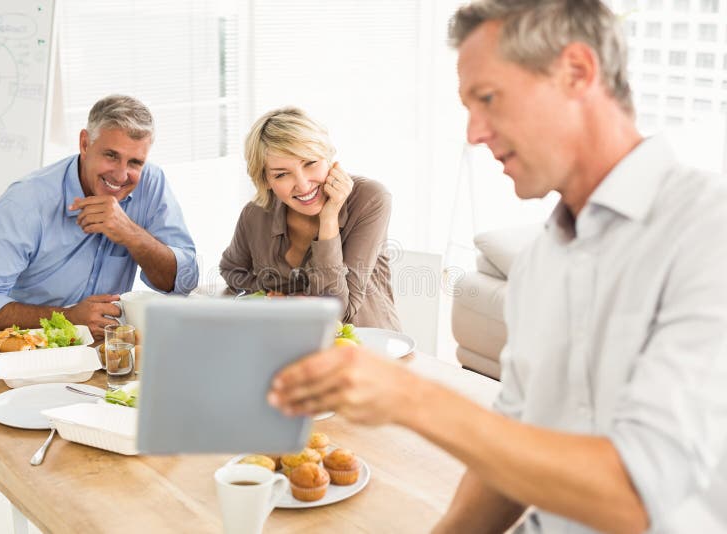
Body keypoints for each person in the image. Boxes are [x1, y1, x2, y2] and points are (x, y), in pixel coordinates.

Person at [267, 1, 727, 532]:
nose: (474, 132)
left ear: (577, 73)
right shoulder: (545, 261)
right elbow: (512, 446)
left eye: (487, 99)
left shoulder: (706, 229)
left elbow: (636, 497)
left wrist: (411, 397)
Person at [0, 95, 198, 340]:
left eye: (135, 162)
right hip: (32, 351)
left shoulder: (151, 184)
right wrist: (68, 318)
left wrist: (130, 234)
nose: (122, 175)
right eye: (111, 155)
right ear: (84, 144)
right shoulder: (26, 201)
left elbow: (185, 281)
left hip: (105, 352)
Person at [220, 107, 400, 331]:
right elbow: (232, 270)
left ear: (328, 157)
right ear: (265, 180)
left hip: (367, 350)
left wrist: (329, 219)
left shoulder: (370, 199)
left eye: (310, 163)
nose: (303, 185)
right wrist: (276, 299)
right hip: (290, 347)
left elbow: (339, 312)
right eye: (281, 174)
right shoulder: (255, 214)